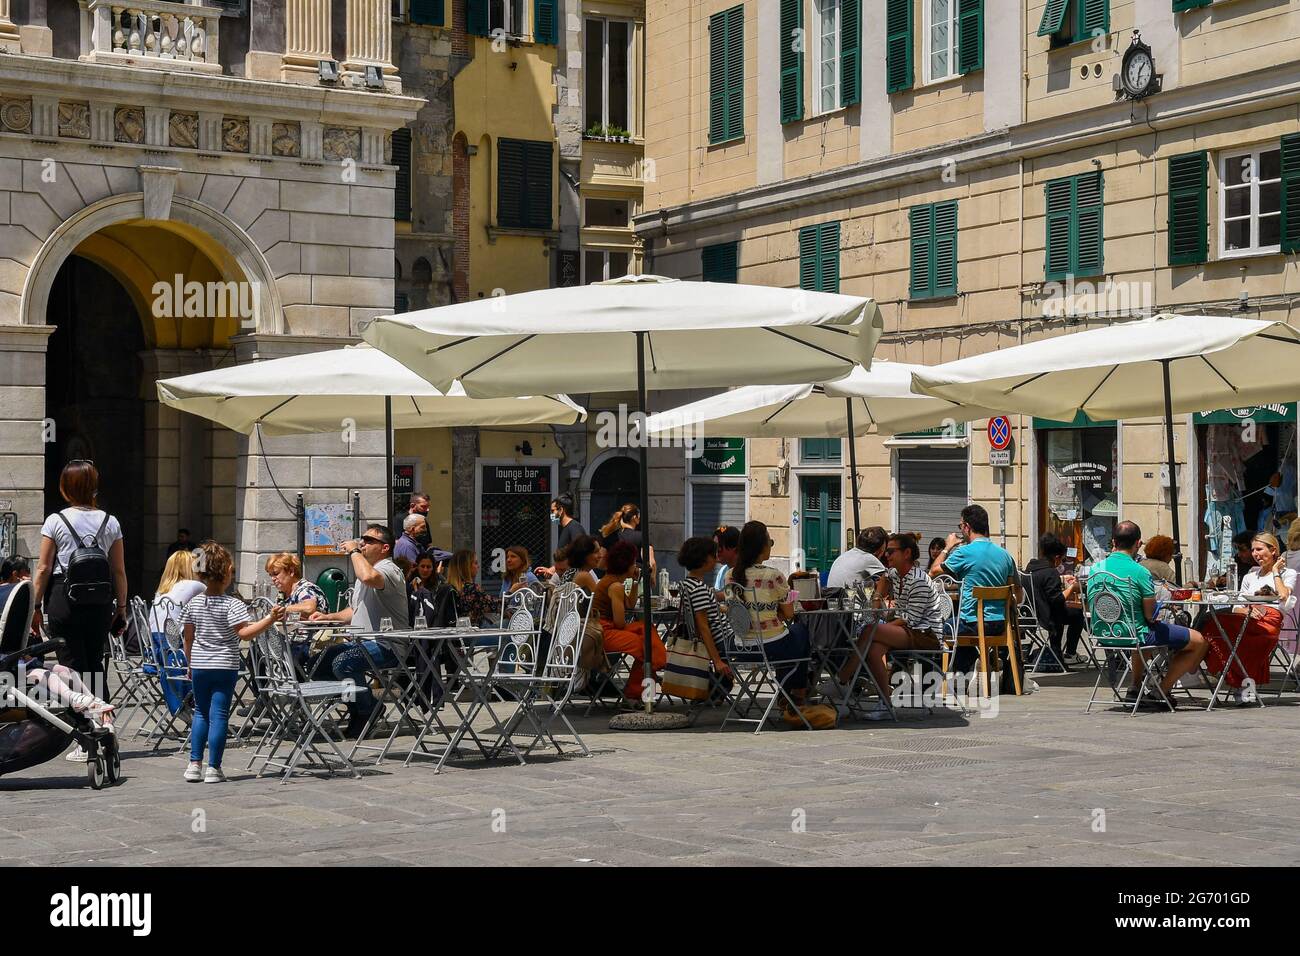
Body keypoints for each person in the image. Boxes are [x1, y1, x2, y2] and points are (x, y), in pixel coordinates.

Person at [32, 460, 128, 761]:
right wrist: (121, 607)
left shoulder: (56, 520)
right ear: (93, 485)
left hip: (65, 597)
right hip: (99, 602)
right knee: (94, 663)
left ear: (65, 487)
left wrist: (35, 606)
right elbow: (119, 571)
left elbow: (44, 568)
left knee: (70, 668)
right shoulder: (110, 521)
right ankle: (106, 726)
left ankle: (85, 735)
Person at [180, 540, 284, 782]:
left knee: (200, 714)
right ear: (227, 573)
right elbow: (244, 633)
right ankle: (213, 768)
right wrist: (269, 619)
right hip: (225, 664)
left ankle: (194, 764)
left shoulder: (194, 602)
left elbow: (188, 637)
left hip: (200, 664)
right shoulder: (232, 604)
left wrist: (190, 662)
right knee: (219, 715)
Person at [821, 533, 944, 718]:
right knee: (873, 650)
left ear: (907, 553)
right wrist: (879, 596)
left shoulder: (919, 580)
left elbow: (911, 619)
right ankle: (886, 704)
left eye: (892, 551)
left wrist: (880, 625)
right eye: (887, 551)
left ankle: (843, 679)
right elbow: (882, 590)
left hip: (926, 634)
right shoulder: (895, 574)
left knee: (871, 630)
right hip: (908, 630)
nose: (887, 555)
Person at [1090, 521, 1207, 707]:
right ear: (1138, 543)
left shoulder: (1095, 570)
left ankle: (1134, 687)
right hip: (1136, 634)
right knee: (1199, 640)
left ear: (1113, 542)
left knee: (1141, 635)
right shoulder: (1140, 572)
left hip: (1104, 634)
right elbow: (1150, 614)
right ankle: (1161, 690)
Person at [308, 524, 410, 737]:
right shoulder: (364, 571)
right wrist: (328, 617)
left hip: (387, 644)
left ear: (385, 548)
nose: (363, 542)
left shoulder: (389, 570)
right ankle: (361, 704)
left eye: (369, 540)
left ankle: (366, 711)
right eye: (362, 539)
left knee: (343, 663)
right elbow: (354, 610)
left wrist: (354, 550)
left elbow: (369, 578)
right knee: (317, 664)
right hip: (361, 641)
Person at [929, 504, 1020, 687]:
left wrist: (947, 547)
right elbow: (1016, 590)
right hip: (1000, 624)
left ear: (967, 527)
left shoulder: (963, 553)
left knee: (940, 627)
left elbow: (933, 571)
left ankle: (950, 676)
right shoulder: (1005, 555)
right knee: (959, 627)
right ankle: (974, 665)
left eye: (960, 525)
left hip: (971, 623)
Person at [729, 520, 812, 720]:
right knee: (800, 633)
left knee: (791, 641)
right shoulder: (773, 576)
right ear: (762, 547)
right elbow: (790, 614)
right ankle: (795, 694)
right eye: (770, 542)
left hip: (740, 647)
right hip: (769, 646)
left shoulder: (731, 575)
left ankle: (789, 692)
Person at [1203, 532, 1292, 701]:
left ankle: (1241, 683)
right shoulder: (1250, 575)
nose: (1255, 554)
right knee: (1213, 623)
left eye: (1259, 549)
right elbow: (1237, 605)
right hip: (1246, 618)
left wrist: (1275, 571)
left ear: (1273, 550)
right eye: (1253, 550)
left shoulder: (1287, 573)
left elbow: (1284, 596)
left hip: (1269, 622)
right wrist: (1245, 610)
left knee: (1232, 635)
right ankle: (1241, 681)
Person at [592, 541, 667, 703]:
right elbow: (619, 623)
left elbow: (629, 605)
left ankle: (654, 668)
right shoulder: (615, 586)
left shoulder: (611, 580)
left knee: (647, 629)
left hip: (604, 629)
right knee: (644, 646)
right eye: (633, 563)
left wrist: (635, 582)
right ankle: (637, 692)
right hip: (603, 632)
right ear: (625, 565)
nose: (636, 566)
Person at [675, 537, 734, 685]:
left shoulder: (688, 583)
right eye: (713, 555)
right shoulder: (700, 588)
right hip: (723, 639)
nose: (716, 559)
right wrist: (717, 661)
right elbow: (703, 626)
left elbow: (708, 612)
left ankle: (718, 689)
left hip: (721, 637)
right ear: (704, 559)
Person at [1024, 533, 1081, 672]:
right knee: (1078, 615)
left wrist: (1061, 579)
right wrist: (1073, 588)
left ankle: (1059, 654)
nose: (1061, 563)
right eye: (1062, 559)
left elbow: (1041, 583)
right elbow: (1057, 600)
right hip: (1048, 618)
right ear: (1056, 558)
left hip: (1031, 615)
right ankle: (1070, 653)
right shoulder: (1050, 572)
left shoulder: (1030, 568)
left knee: (1067, 612)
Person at [150, 549, 206, 634]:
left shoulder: (161, 590)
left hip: (154, 641)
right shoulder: (195, 585)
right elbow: (218, 600)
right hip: (176, 642)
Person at [601, 503, 656, 576]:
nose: (639, 519)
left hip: (615, 579)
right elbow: (651, 562)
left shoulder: (610, 537)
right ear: (634, 518)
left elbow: (601, 562)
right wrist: (653, 578)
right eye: (638, 517)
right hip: (636, 579)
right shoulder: (642, 537)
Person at [444, 549, 496, 626]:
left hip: (453, 632)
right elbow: (496, 605)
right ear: (466, 567)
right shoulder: (471, 589)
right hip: (472, 634)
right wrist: (510, 592)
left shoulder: (448, 587)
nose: (478, 566)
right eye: (475, 563)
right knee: (508, 624)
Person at [712, 525, 740, 592]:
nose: (716, 552)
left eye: (719, 548)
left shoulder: (748, 572)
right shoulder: (723, 571)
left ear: (733, 547)